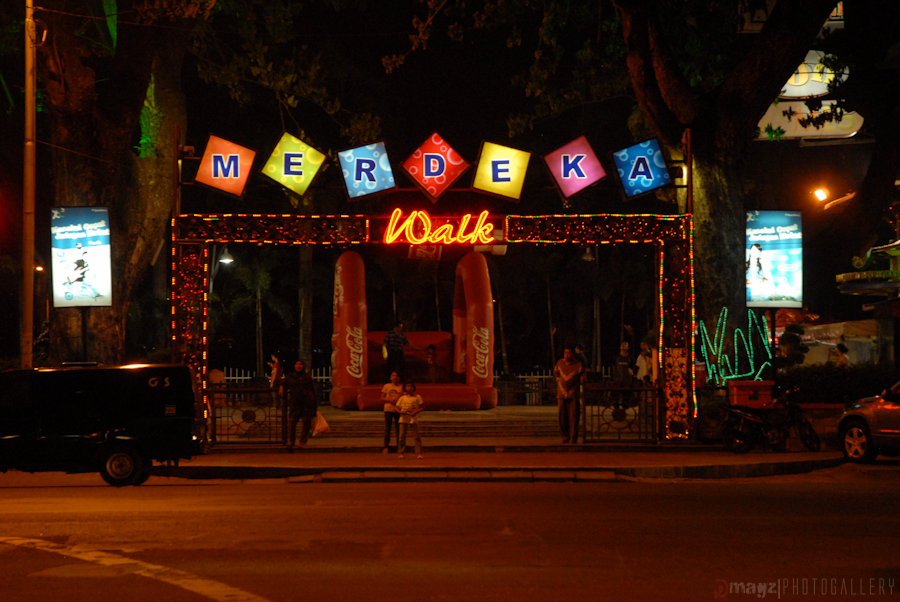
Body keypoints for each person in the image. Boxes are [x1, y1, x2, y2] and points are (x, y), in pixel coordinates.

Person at [282, 359, 318, 450]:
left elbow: (313, 391)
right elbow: (283, 382)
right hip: (295, 403)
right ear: (294, 366)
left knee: (306, 423)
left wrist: (314, 406)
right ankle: (291, 440)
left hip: (306, 403)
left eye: (300, 364)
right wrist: (281, 387)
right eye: (297, 364)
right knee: (292, 422)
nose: (298, 366)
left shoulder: (307, 377)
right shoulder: (290, 377)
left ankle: (303, 441)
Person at [554, 347, 583, 444]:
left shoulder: (578, 365)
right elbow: (556, 372)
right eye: (565, 352)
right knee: (562, 417)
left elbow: (582, 375)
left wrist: (583, 378)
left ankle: (573, 438)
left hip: (573, 394)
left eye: (569, 353)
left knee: (574, 417)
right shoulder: (559, 363)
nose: (566, 355)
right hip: (561, 394)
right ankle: (564, 436)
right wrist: (558, 379)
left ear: (573, 354)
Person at [395, 381, 425, 459]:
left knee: (416, 436)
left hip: (413, 418)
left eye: (411, 386)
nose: (410, 388)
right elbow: (396, 407)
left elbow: (422, 407)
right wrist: (401, 412)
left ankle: (419, 452)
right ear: (405, 388)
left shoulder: (417, 397)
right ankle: (401, 452)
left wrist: (415, 412)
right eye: (408, 386)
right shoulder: (402, 398)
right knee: (401, 436)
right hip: (403, 418)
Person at [381, 371, 404, 453]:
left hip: (398, 410)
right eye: (393, 375)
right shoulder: (387, 386)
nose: (395, 377)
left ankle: (399, 446)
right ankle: (386, 446)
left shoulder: (401, 388)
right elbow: (382, 398)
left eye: (397, 376)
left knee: (399, 429)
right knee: (388, 428)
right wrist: (390, 399)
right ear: (390, 377)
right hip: (388, 409)